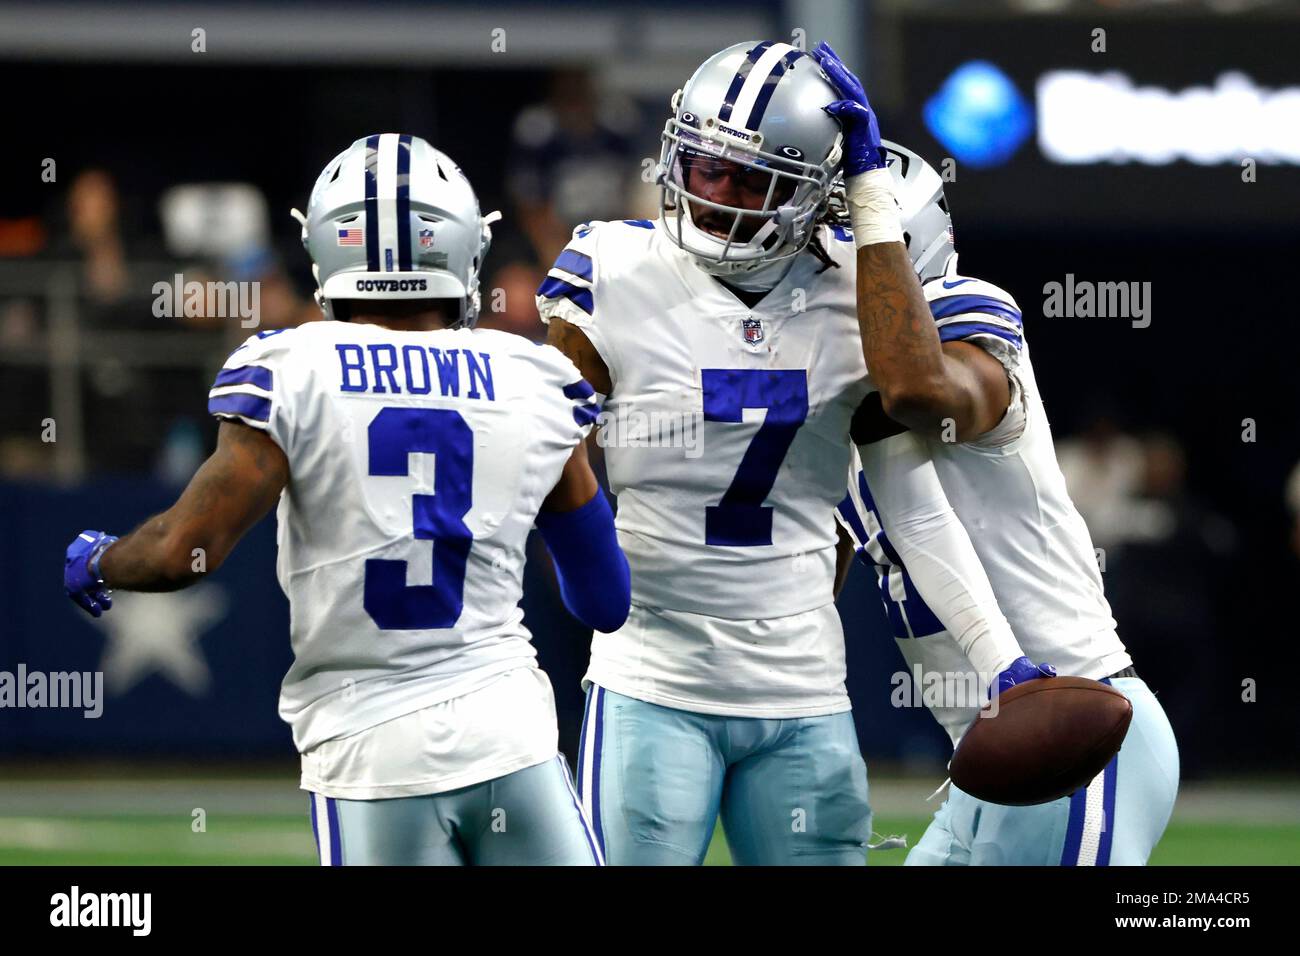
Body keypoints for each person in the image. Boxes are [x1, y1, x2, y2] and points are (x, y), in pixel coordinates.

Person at [538, 41, 1050, 866]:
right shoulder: (613, 266)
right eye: (704, 166)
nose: (716, 195)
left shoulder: (861, 296)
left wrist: (1001, 660)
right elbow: (543, 453)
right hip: (651, 679)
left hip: (804, 683)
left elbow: (910, 507)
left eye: (751, 179)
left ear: (815, 191)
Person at [63, 134, 629, 866]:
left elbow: (181, 553)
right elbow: (605, 601)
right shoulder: (533, 376)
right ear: (461, 244)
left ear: (327, 247)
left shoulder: (289, 368)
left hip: (369, 752)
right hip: (509, 741)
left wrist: (101, 560)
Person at [816, 43, 1178, 865]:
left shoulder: (966, 313)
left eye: (832, 247)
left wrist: (863, 198)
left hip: (1079, 731)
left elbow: (914, 389)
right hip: (988, 757)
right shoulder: (833, 383)